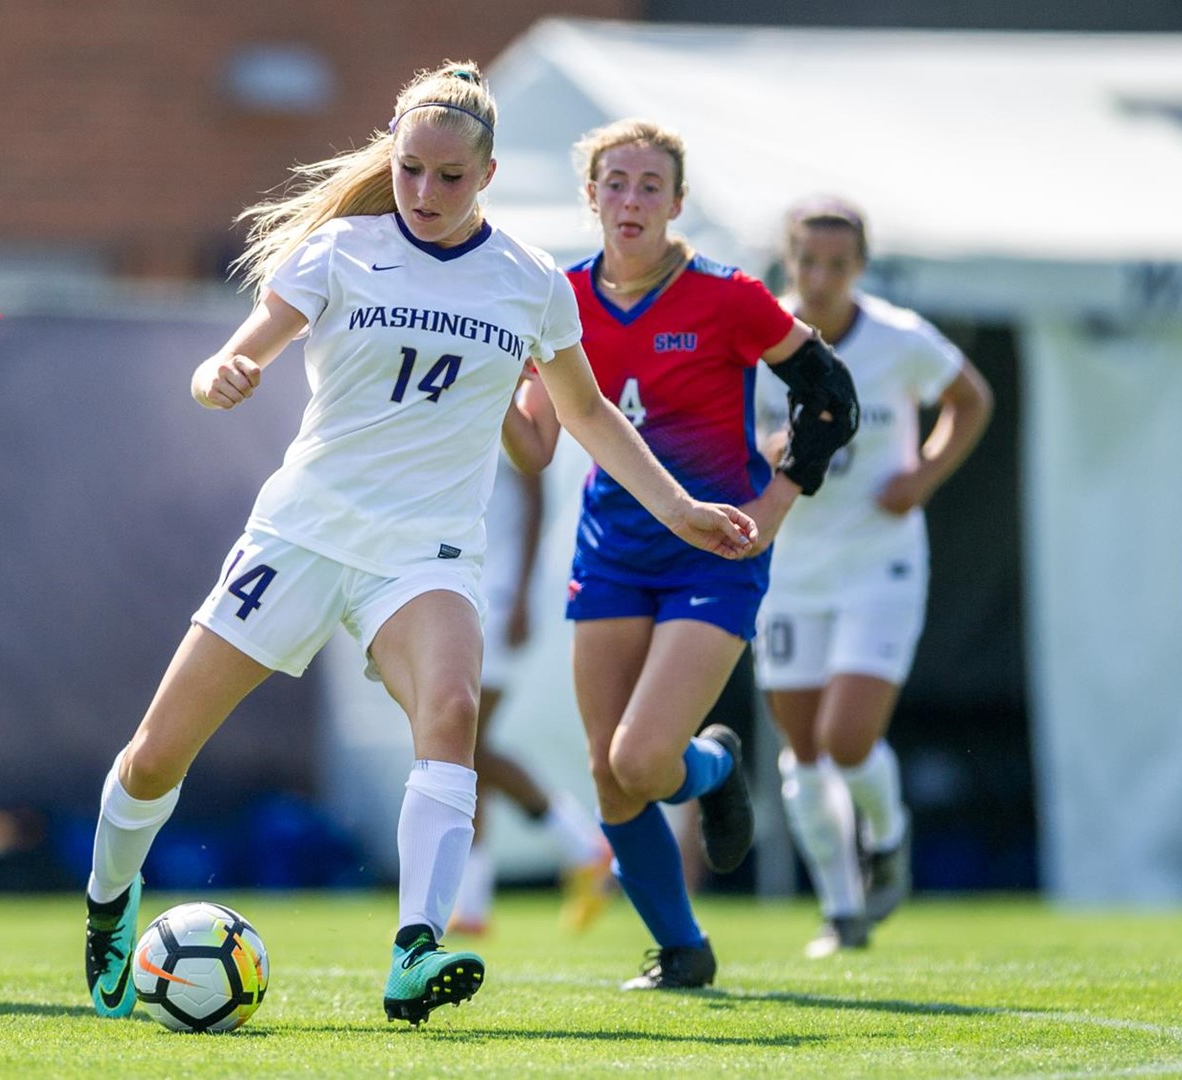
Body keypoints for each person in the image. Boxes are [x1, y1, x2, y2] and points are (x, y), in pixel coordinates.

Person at [81, 63, 758, 1027]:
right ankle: (110, 909)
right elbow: (239, 352)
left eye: (449, 177)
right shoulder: (337, 252)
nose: (425, 194)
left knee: (449, 712)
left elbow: (589, 415)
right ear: (390, 162)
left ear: (486, 174)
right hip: (304, 533)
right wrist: (218, 375)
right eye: (410, 172)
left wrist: (679, 505)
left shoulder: (528, 280)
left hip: (427, 552)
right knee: (155, 757)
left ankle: (415, 952)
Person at [506, 119, 859, 990]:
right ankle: (683, 949)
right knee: (610, 774)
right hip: (612, 552)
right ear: (589, 196)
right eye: (614, 183)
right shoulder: (562, 302)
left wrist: (775, 505)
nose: (630, 200)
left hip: (715, 551)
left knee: (640, 760)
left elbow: (834, 399)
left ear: (676, 202)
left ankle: (715, 762)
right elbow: (535, 448)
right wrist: (478, 387)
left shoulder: (729, 297)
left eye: (648, 186)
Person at [752, 197, 993, 957]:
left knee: (847, 737)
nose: (821, 278)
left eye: (838, 264)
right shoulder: (758, 334)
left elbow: (970, 400)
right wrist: (753, 451)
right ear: (789, 261)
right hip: (791, 562)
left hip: (877, 560)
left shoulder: (897, 338)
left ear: (860, 267)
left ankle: (888, 838)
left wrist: (922, 476)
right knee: (803, 750)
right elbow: (719, 424)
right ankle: (842, 909)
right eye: (808, 262)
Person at [446, 454, 613, 938]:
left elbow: (537, 495)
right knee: (462, 749)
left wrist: (521, 593)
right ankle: (473, 905)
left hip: (498, 591)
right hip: (466, 584)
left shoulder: (507, 398)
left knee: (464, 745)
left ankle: (583, 846)